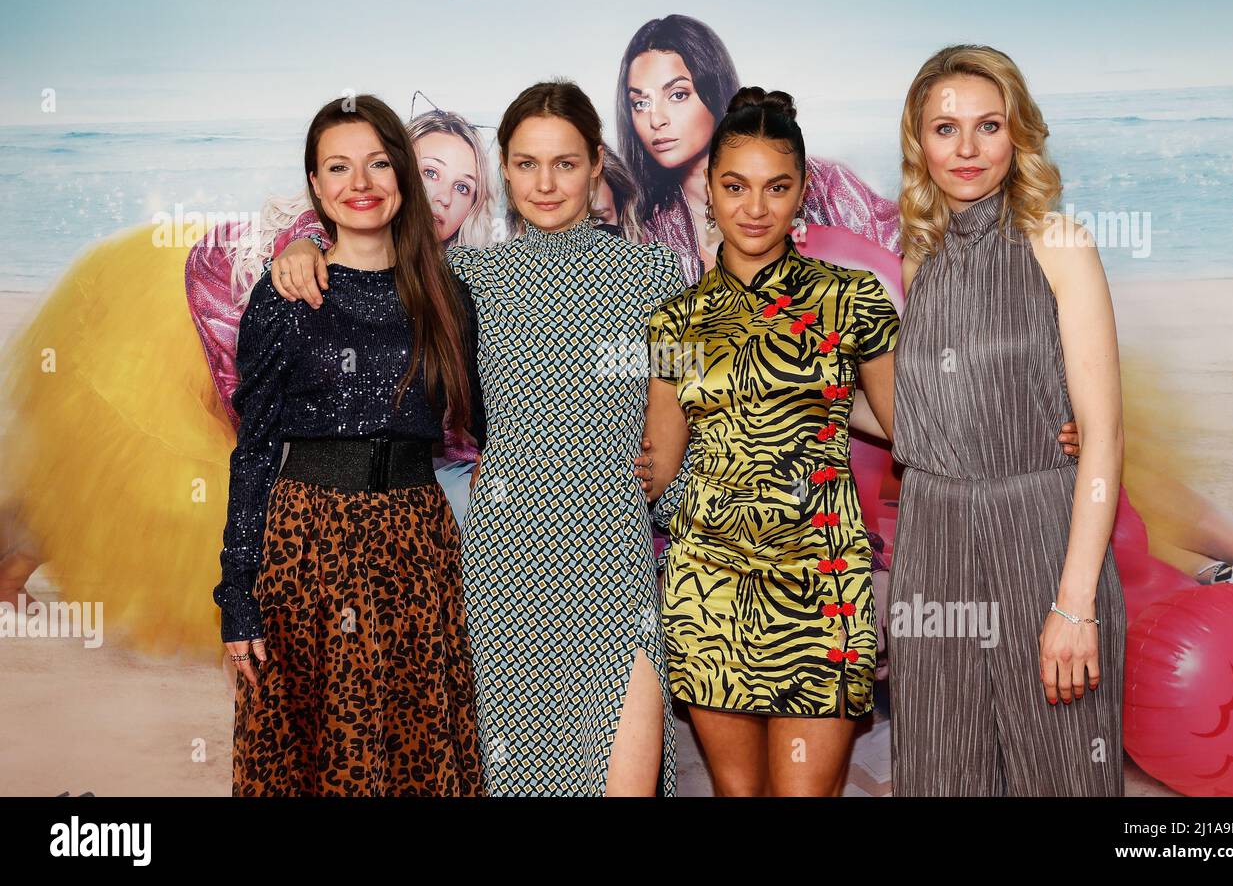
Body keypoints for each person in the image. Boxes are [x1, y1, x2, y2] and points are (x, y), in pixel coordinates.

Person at [273, 80, 683, 797]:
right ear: (504, 169)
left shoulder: (653, 272)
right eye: (526, 164)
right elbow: (367, 254)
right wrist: (306, 247)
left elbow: (679, 393)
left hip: (613, 559)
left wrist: (666, 457)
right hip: (505, 564)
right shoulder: (465, 276)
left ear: (595, 165)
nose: (546, 183)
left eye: (564, 163)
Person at [215, 94, 485, 795]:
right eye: (338, 167)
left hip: (415, 541)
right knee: (316, 754)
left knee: (412, 752)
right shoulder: (287, 291)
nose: (359, 183)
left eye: (376, 163)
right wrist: (237, 597)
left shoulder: (447, 297)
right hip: (308, 543)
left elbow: (486, 424)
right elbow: (252, 452)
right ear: (315, 184)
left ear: (400, 174)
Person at [643, 88, 899, 796]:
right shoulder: (675, 322)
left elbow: (916, 429)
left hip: (825, 591)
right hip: (710, 591)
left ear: (801, 193)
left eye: (775, 187)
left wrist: (1037, 432)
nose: (754, 207)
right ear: (711, 193)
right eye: (735, 186)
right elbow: (657, 468)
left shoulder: (853, 298)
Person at [888, 45, 1125, 796]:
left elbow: (1104, 438)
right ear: (917, 143)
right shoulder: (916, 261)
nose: (966, 149)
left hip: (1041, 537)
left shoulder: (1060, 245)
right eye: (945, 128)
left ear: (1017, 134)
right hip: (934, 546)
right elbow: (913, 415)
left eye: (988, 126)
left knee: (1062, 773)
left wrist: (1074, 604)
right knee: (940, 773)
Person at [617, 14, 901, 278]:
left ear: (713, 89)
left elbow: (906, 262)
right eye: (640, 103)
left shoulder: (825, 185)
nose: (656, 119)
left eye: (678, 95)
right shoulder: (647, 231)